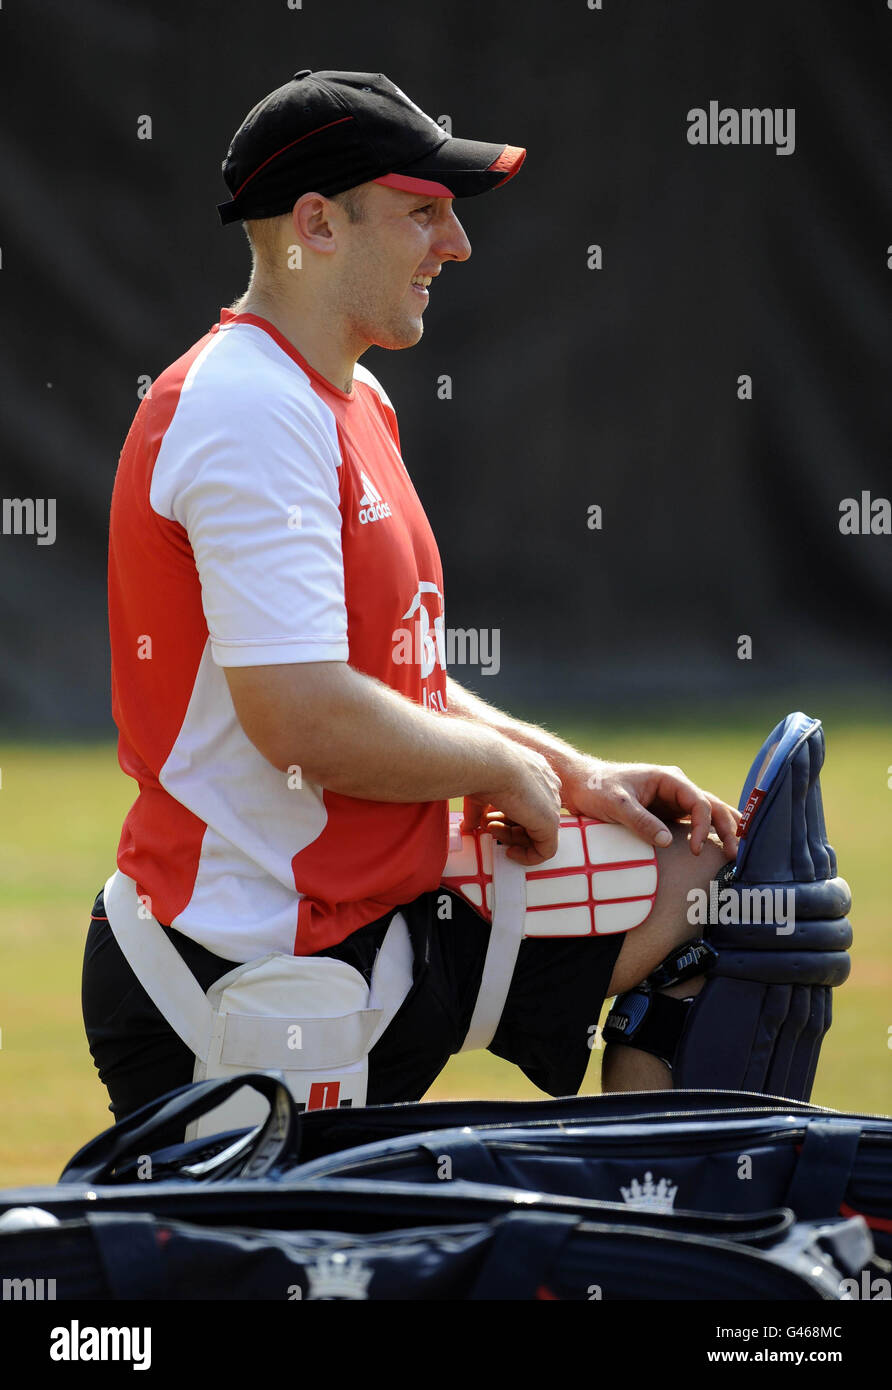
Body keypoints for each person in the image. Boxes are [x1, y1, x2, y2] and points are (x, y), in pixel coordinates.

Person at [82, 69, 741, 1127]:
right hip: (251, 959)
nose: (457, 244)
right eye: (422, 212)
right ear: (314, 225)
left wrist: (566, 769)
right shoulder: (248, 407)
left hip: (360, 923)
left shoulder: (344, 395)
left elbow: (396, 672)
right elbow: (302, 715)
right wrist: (501, 768)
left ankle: (680, 1243)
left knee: (740, 906)